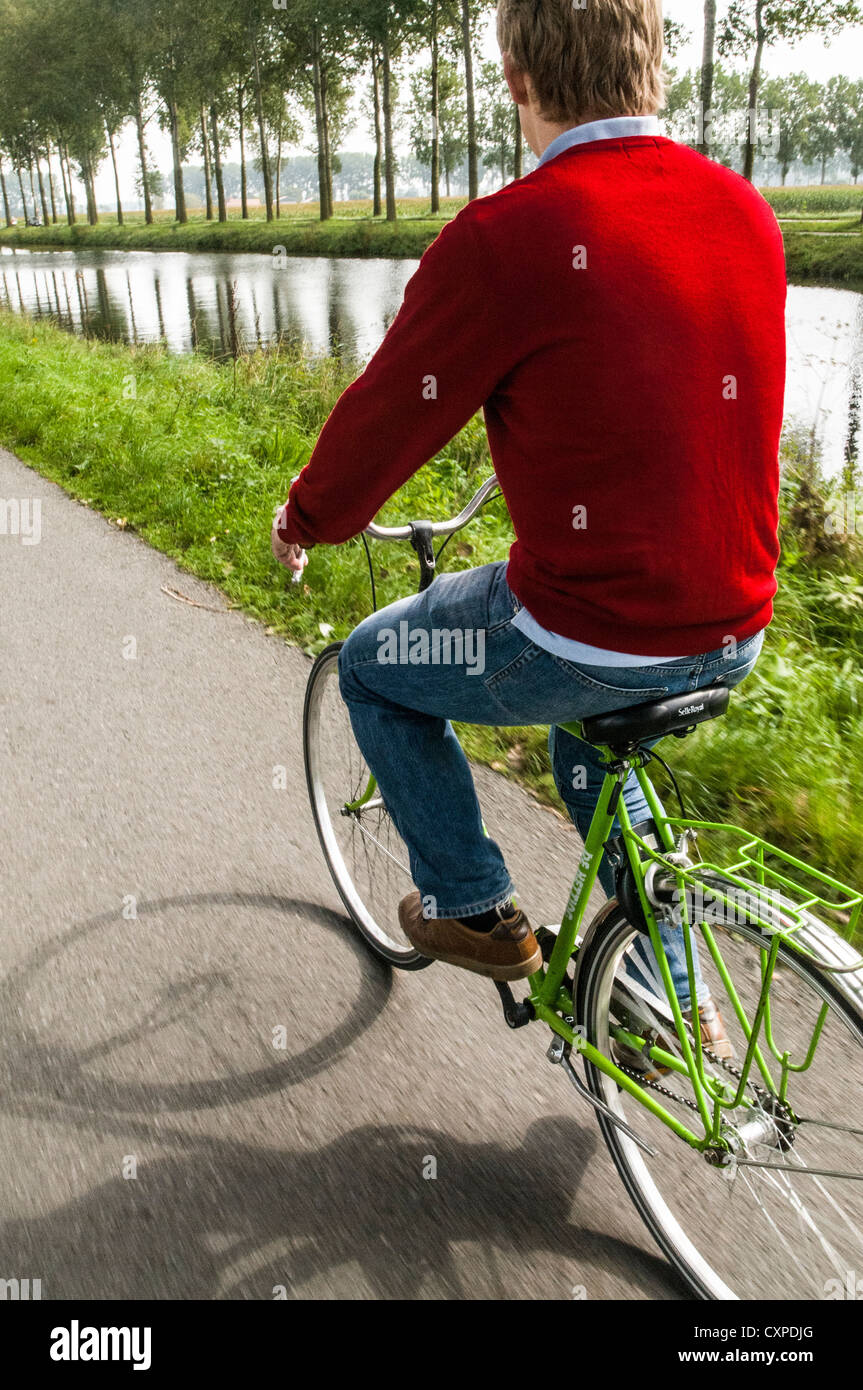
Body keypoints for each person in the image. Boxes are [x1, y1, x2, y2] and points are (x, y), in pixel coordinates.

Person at [272, 0, 787, 1057]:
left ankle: (467, 903)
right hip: (735, 620)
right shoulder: (742, 211)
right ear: (654, 61)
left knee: (375, 666)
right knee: (594, 747)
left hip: (587, 632)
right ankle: (658, 1000)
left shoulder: (508, 237)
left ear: (515, 76)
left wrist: (310, 515)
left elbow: (389, 415)